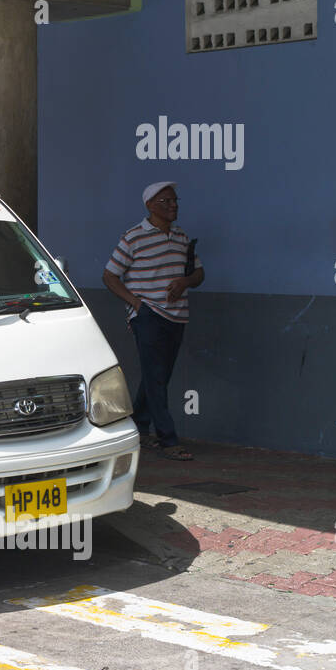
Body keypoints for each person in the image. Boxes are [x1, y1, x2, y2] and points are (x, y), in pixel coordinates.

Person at [102, 181, 204, 461]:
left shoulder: (182, 237)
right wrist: (136, 304)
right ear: (149, 206)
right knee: (156, 377)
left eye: (175, 201)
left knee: (158, 376)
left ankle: (138, 426)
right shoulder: (133, 237)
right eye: (166, 202)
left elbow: (199, 274)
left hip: (177, 315)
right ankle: (168, 439)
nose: (173, 206)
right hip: (147, 317)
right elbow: (110, 276)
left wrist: (185, 281)